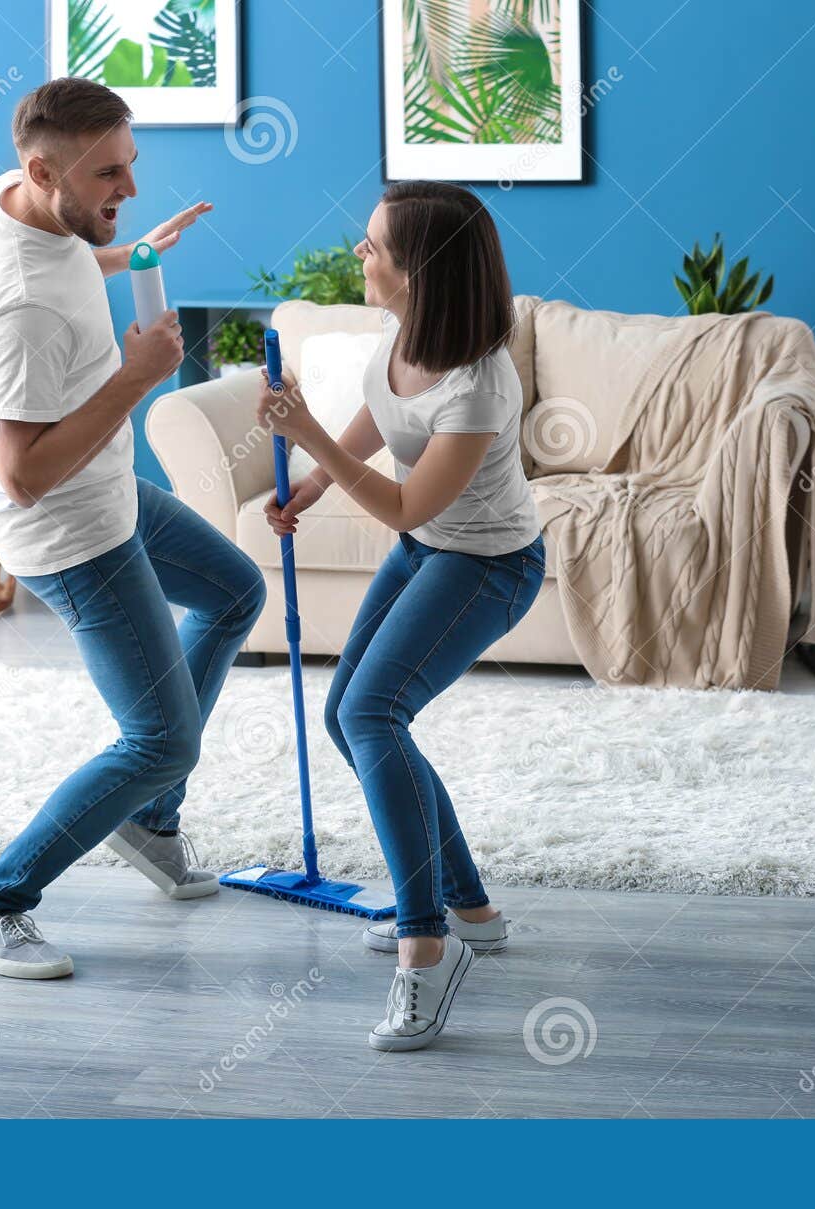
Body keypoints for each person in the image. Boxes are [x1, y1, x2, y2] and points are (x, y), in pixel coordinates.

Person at [0, 77, 265, 980]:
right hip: (70, 532)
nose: (129, 190)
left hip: (109, 489)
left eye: (130, 166)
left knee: (236, 591)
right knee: (160, 739)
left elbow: (67, 261)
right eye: (109, 176)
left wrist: (134, 254)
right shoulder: (21, 307)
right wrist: (136, 377)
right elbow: (24, 474)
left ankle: (148, 819)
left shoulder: (8, 203)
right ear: (45, 170)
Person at [255, 181, 545, 1050]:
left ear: (420, 270)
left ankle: (426, 944)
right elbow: (378, 419)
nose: (360, 255)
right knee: (355, 719)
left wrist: (306, 436)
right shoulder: (404, 330)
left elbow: (411, 507)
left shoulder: (481, 384)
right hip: (432, 551)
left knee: (370, 712)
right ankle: (474, 911)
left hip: (488, 564)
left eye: (374, 246)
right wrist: (307, 481)